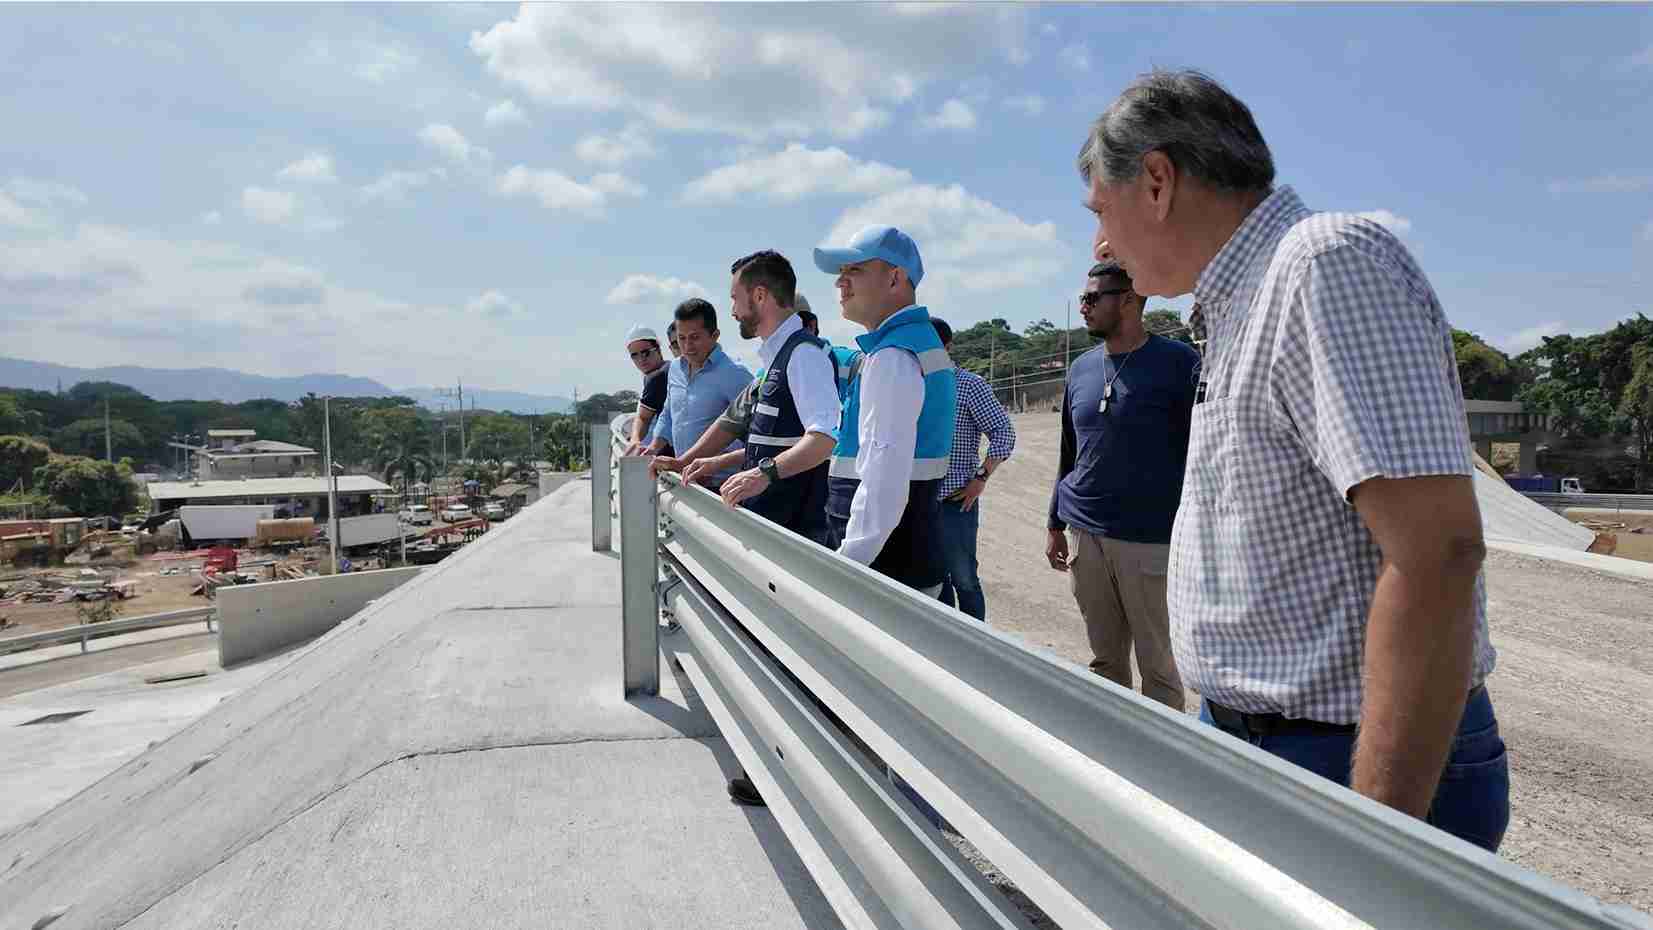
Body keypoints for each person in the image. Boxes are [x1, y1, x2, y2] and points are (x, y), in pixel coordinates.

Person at [1077, 69, 1508, 851]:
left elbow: (1436, 553)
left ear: (1157, 180)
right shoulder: (1241, 302)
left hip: (1337, 760)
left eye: (1100, 212)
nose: (1100, 246)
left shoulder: (1321, 264)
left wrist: (1376, 838)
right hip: (1264, 744)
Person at [1045, 262, 1197, 710]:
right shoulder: (1081, 369)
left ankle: (1163, 769)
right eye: (1083, 299)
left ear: (1128, 300)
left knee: (1159, 667)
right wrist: (1054, 521)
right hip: (1086, 538)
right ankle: (1114, 762)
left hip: (1151, 541)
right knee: (1105, 664)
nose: (1084, 308)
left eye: (1093, 299)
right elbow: (1068, 451)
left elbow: (1202, 452)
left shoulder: (1178, 363)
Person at [813, 225, 956, 596]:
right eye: (840, 274)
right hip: (911, 554)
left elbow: (883, 477)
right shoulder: (916, 344)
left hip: (886, 567)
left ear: (895, 278)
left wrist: (848, 565)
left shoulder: (893, 355)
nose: (840, 284)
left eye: (853, 271)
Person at [930, 317, 1015, 621]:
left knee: (963, 579)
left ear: (948, 346)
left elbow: (1003, 433)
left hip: (955, 504)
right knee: (932, 582)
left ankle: (977, 647)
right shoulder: (911, 386)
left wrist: (981, 478)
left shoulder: (969, 386)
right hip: (918, 504)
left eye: (932, 344)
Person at [640, 299, 752, 489]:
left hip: (722, 485)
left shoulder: (734, 374)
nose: (687, 346)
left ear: (715, 335)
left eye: (695, 337)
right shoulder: (675, 368)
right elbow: (669, 413)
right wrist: (653, 447)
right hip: (687, 478)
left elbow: (756, 433)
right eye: (681, 339)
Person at [623, 325, 668, 456]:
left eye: (646, 352)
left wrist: (634, 440)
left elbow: (644, 417)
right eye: (634, 355)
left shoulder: (658, 377)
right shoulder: (667, 369)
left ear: (658, 349)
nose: (641, 359)